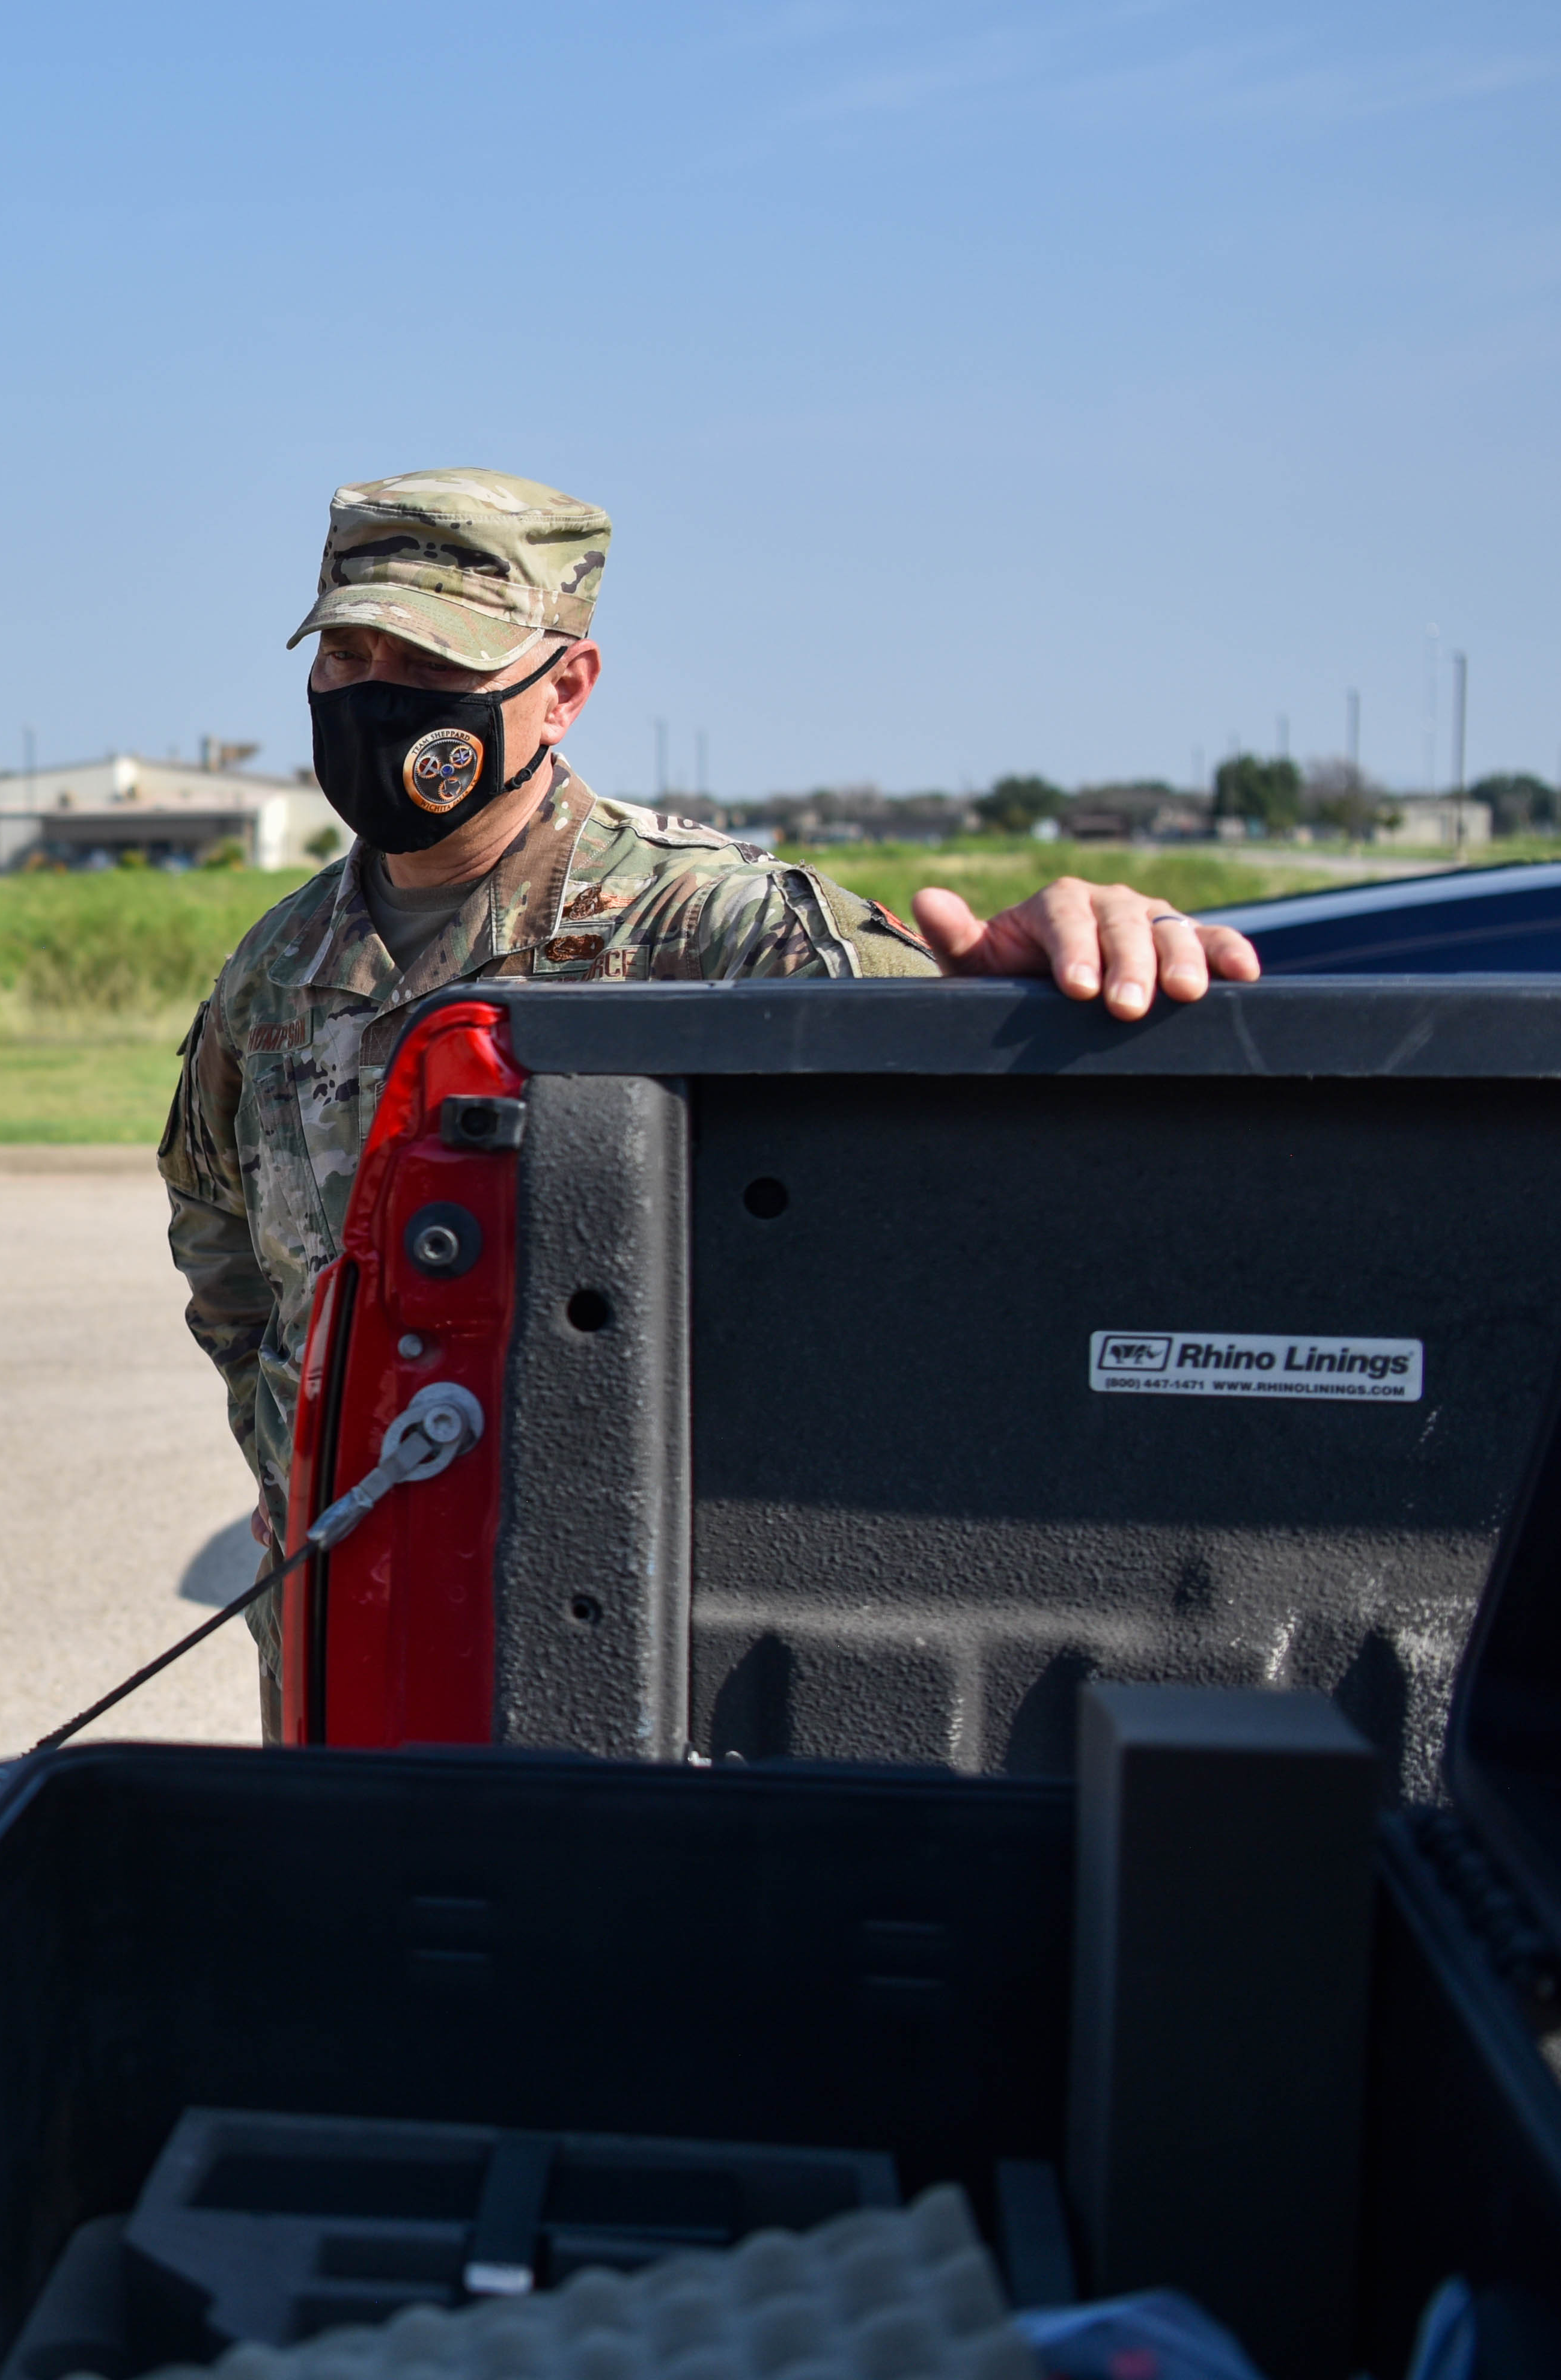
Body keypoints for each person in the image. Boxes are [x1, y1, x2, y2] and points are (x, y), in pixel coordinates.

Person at [160, 468, 1259, 1680]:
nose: (375, 702)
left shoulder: (723, 932)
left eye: (430, 671)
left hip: (614, 1632)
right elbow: (226, 1257)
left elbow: (954, 1195)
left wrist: (1033, 999)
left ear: (563, 688)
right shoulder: (272, 973)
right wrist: (287, 1467)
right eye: (346, 660)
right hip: (349, 1626)